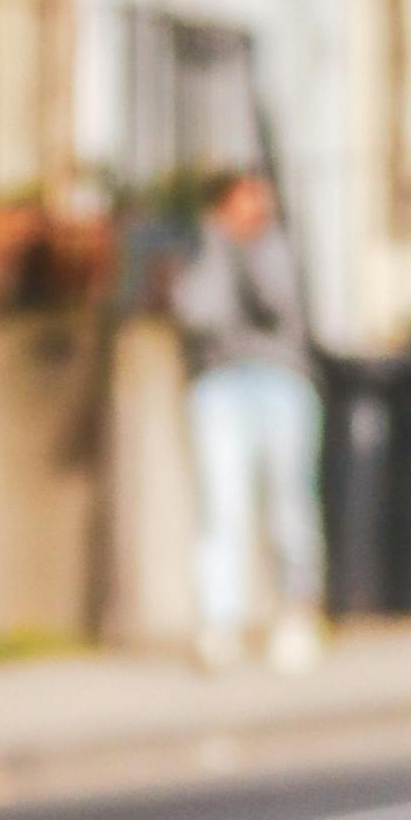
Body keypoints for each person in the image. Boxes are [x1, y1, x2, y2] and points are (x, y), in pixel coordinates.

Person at [168, 167, 324, 666]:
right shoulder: (200, 250)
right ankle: (220, 624)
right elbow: (198, 314)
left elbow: (276, 301)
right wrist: (217, 245)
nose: (252, 210)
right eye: (241, 200)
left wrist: (251, 249)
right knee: (222, 505)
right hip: (219, 385)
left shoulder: (279, 247)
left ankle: (297, 614)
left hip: (280, 381)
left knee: (289, 503)